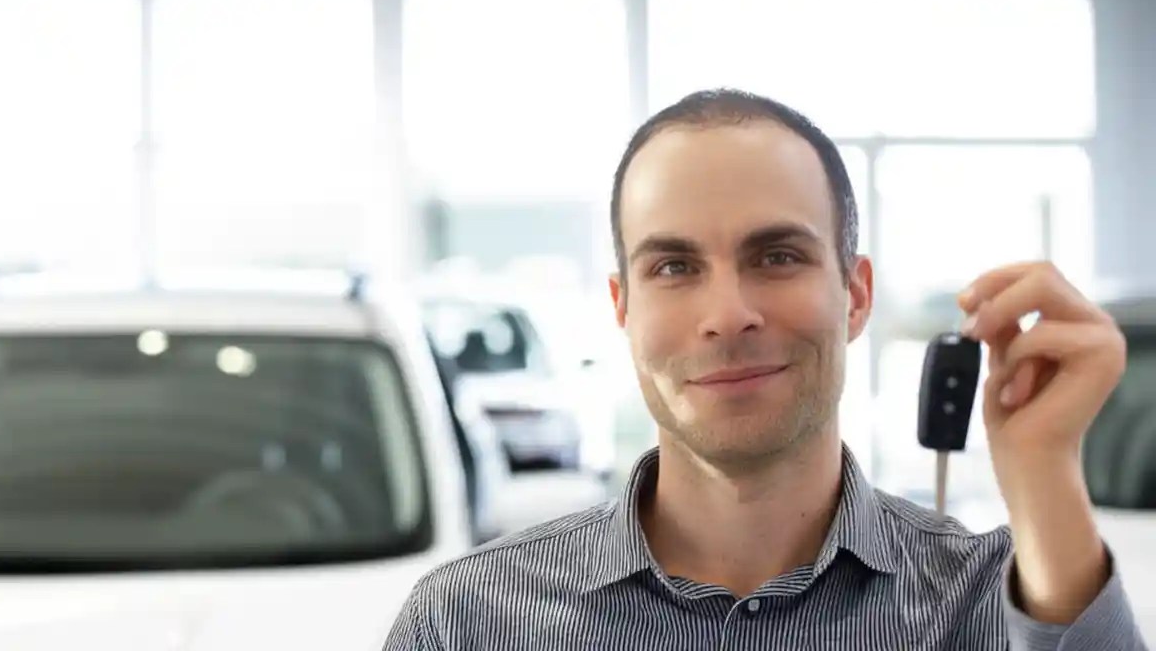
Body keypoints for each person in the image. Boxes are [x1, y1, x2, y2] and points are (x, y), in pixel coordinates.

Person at [382, 89, 1148, 650]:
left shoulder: (990, 608)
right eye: (675, 267)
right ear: (623, 308)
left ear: (855, 295)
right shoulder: (469, 622)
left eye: (777, 256)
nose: (728, 313)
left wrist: (1044, 473)